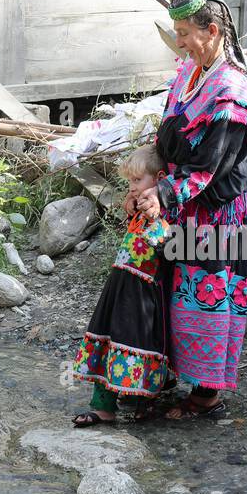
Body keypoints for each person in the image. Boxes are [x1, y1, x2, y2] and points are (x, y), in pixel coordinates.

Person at [130, 0, 247, 420]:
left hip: (216, 214)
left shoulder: (232, 90)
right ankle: (166, 375)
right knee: (173, 294)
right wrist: (150, 180)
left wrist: (161, 194)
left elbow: (208, 167)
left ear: (213, 30)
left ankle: (206, 395)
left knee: (208, 297)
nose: (180, 42)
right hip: (180, 206)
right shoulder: (190, 72)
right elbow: (165, 132)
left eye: (185, 33)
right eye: (176, 33)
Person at [70, 145, 173, 426]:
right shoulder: (138, 211)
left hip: (144, 293)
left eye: (138, 181)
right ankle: (102, 406)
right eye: (130, 182)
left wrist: (156, 218)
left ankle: (143, 403)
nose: (133, 188)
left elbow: (169, 249)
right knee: (106, 339)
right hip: (119, 287)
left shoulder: (167, 212)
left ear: (160, 179)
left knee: (139, 343)